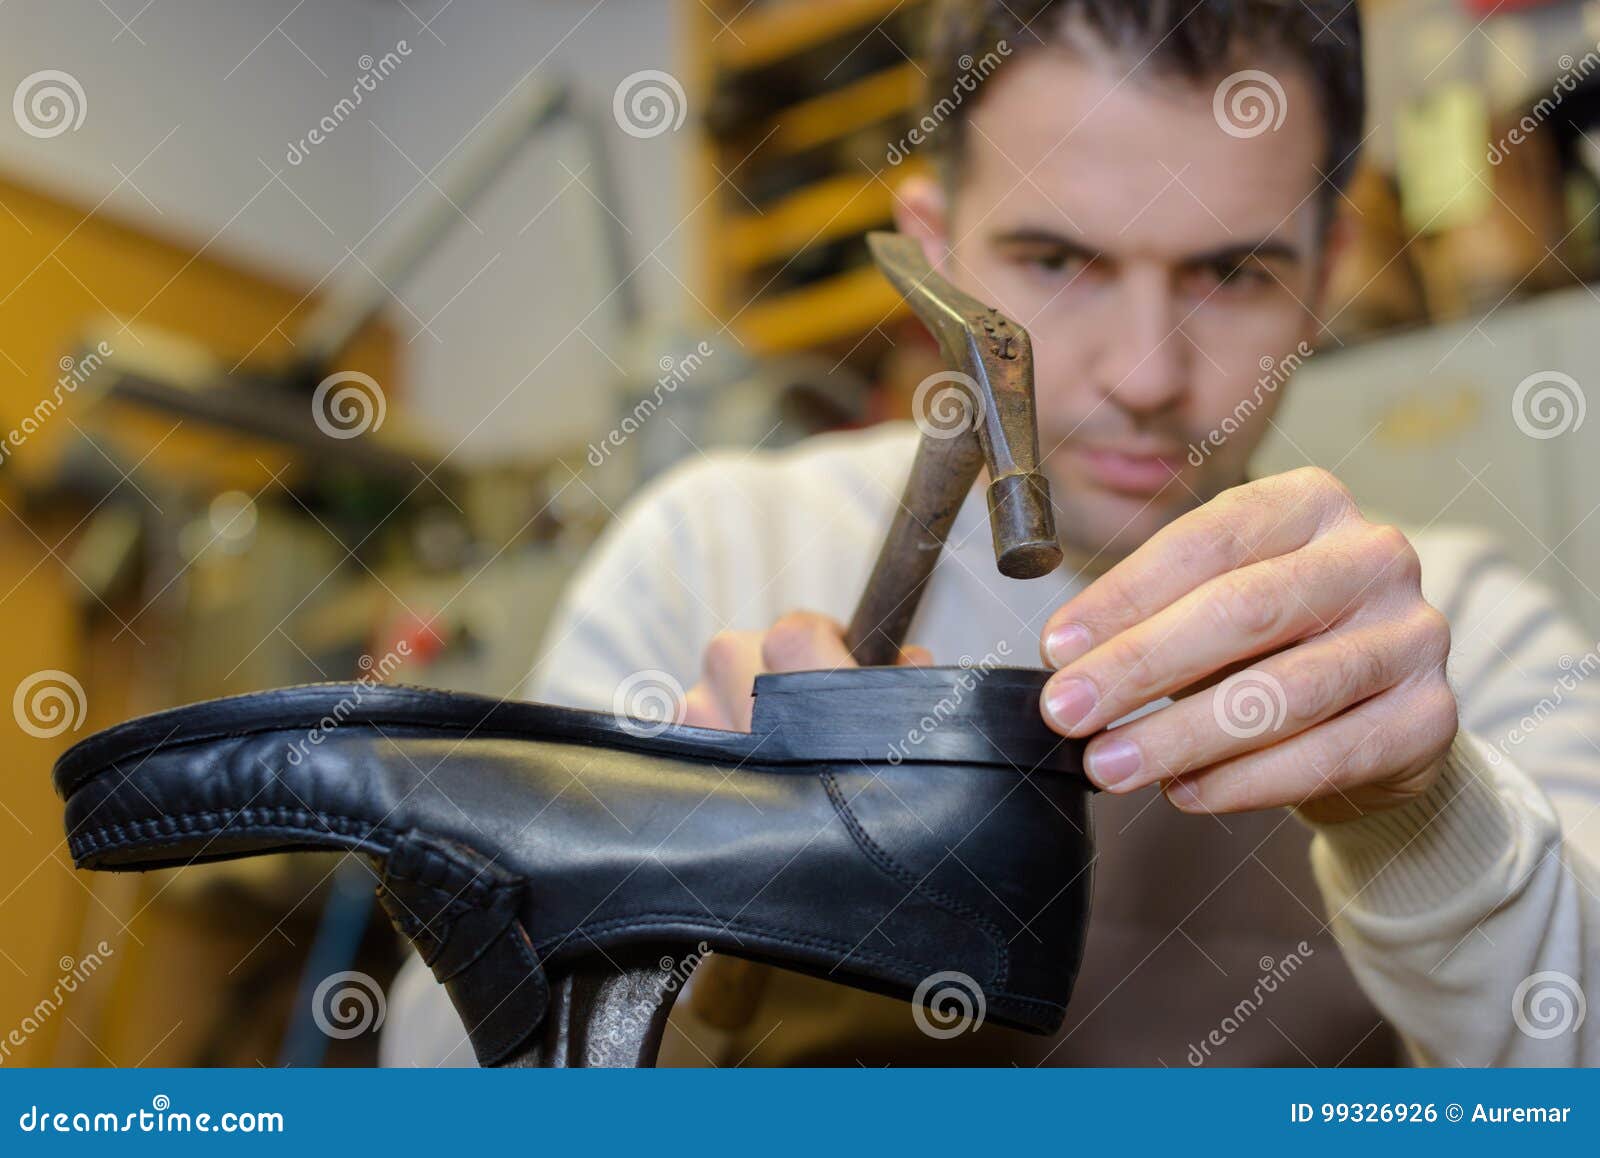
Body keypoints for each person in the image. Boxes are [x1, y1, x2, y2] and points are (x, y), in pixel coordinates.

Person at [383, 0, 1599, 1066]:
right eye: (1058, 258)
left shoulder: (1450, 635)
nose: (1144, 374)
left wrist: (1427, 817)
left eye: (1231, 273)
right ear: (930, 247)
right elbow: (436, 1087)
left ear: (1330, 268)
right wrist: (670, 885)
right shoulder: (709, 553)